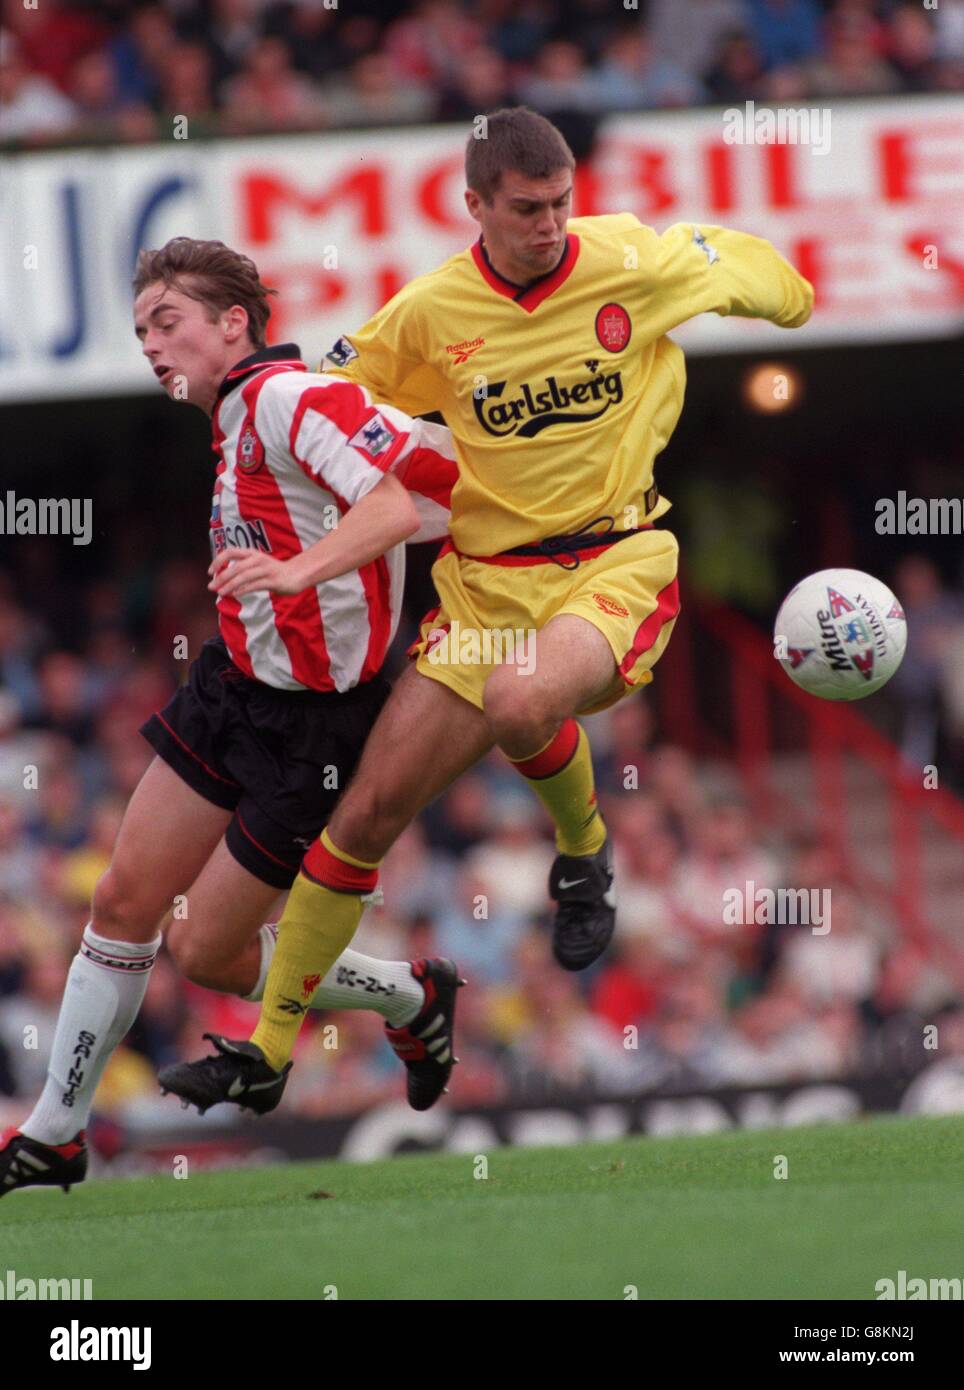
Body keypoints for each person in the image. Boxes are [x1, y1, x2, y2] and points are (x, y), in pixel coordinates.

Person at [161, 106, 813, 1116]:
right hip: (481, 586)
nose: (550, 224)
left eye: (560, 204)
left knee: (520, 699)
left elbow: (762, 273)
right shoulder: (429, 313)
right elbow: (324, 392)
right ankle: (272, 1048)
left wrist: (781, 293)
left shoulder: (630, 260)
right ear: (475, 206)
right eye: (525, 209)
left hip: (614, 565)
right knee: (361, 816)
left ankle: (583, 850)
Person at [0, 237, 464, 1199]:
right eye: (140, 332)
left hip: (316, 727)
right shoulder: (236, 414)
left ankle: (416, 996)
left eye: (167, 324)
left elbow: (392, 505)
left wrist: (295, 571)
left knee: (206, 952)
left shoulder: (292, 398)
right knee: (123, 903)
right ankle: (57, 1133)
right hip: (233, 687)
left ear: (234, 324)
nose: (151, 346)